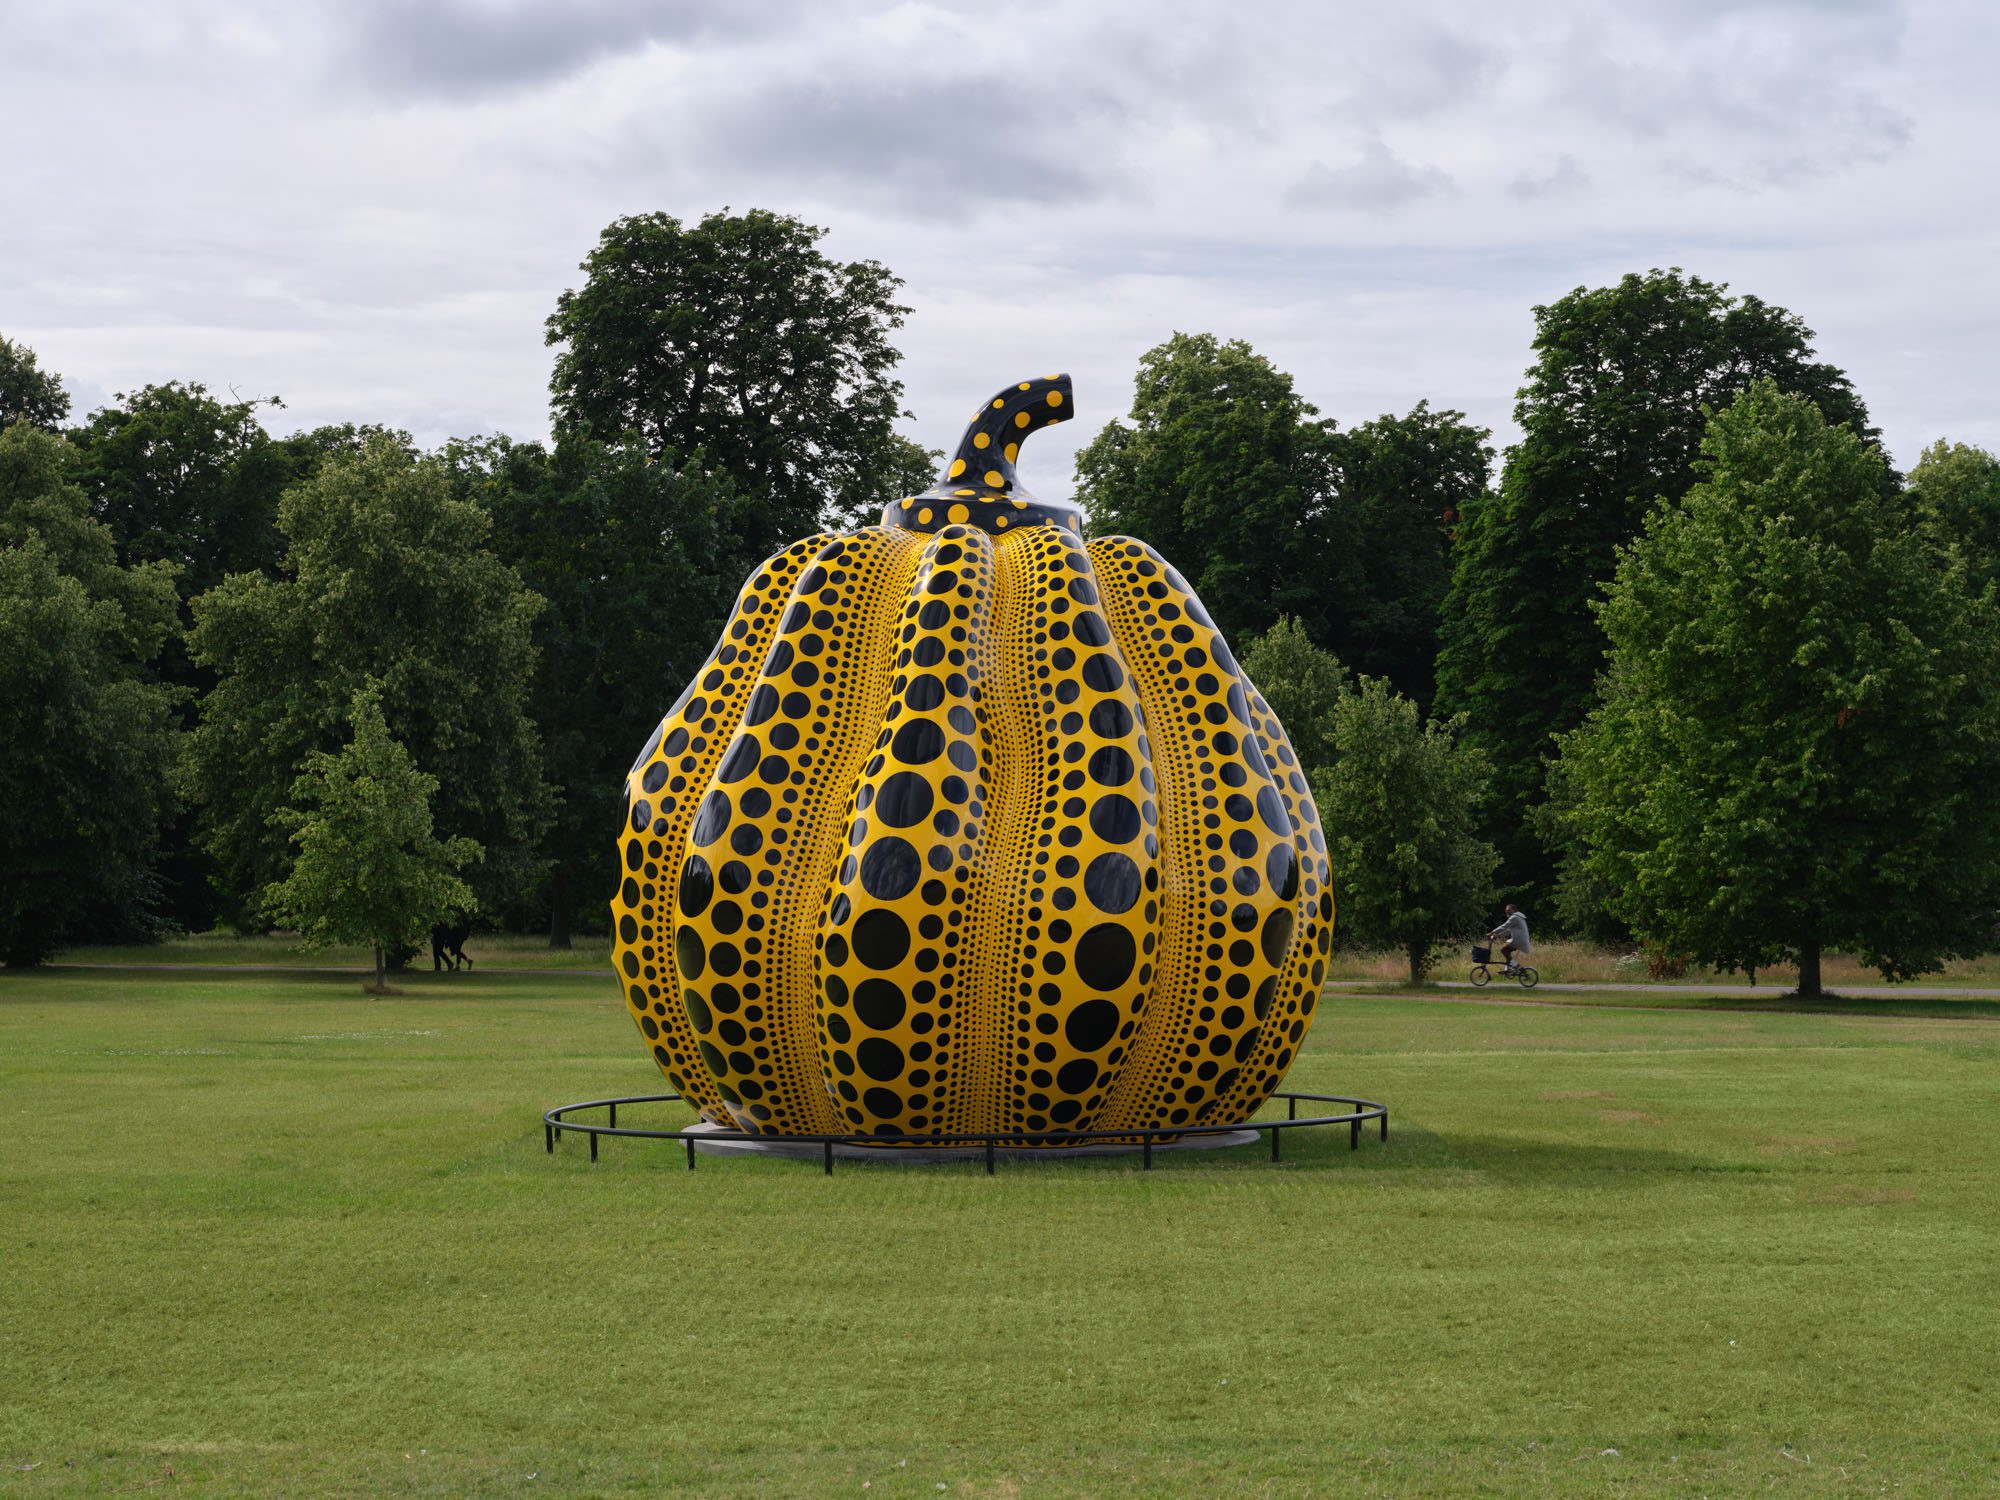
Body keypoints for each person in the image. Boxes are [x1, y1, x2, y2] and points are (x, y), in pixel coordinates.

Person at [1487, 904, 1531, 973]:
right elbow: (1508, 930)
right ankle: (1507, 969)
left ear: (1513, 910)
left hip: (1518, 940)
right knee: (1507, 951)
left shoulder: (1514, 917)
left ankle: (1517, 967)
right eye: (1506, 910)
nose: (1507, 912)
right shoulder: (1517, 917)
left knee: (1503, 950)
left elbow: (1504, 926)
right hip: (1520, 939)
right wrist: (1498, 935)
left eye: (1509, 910)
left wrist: (1492, 932)